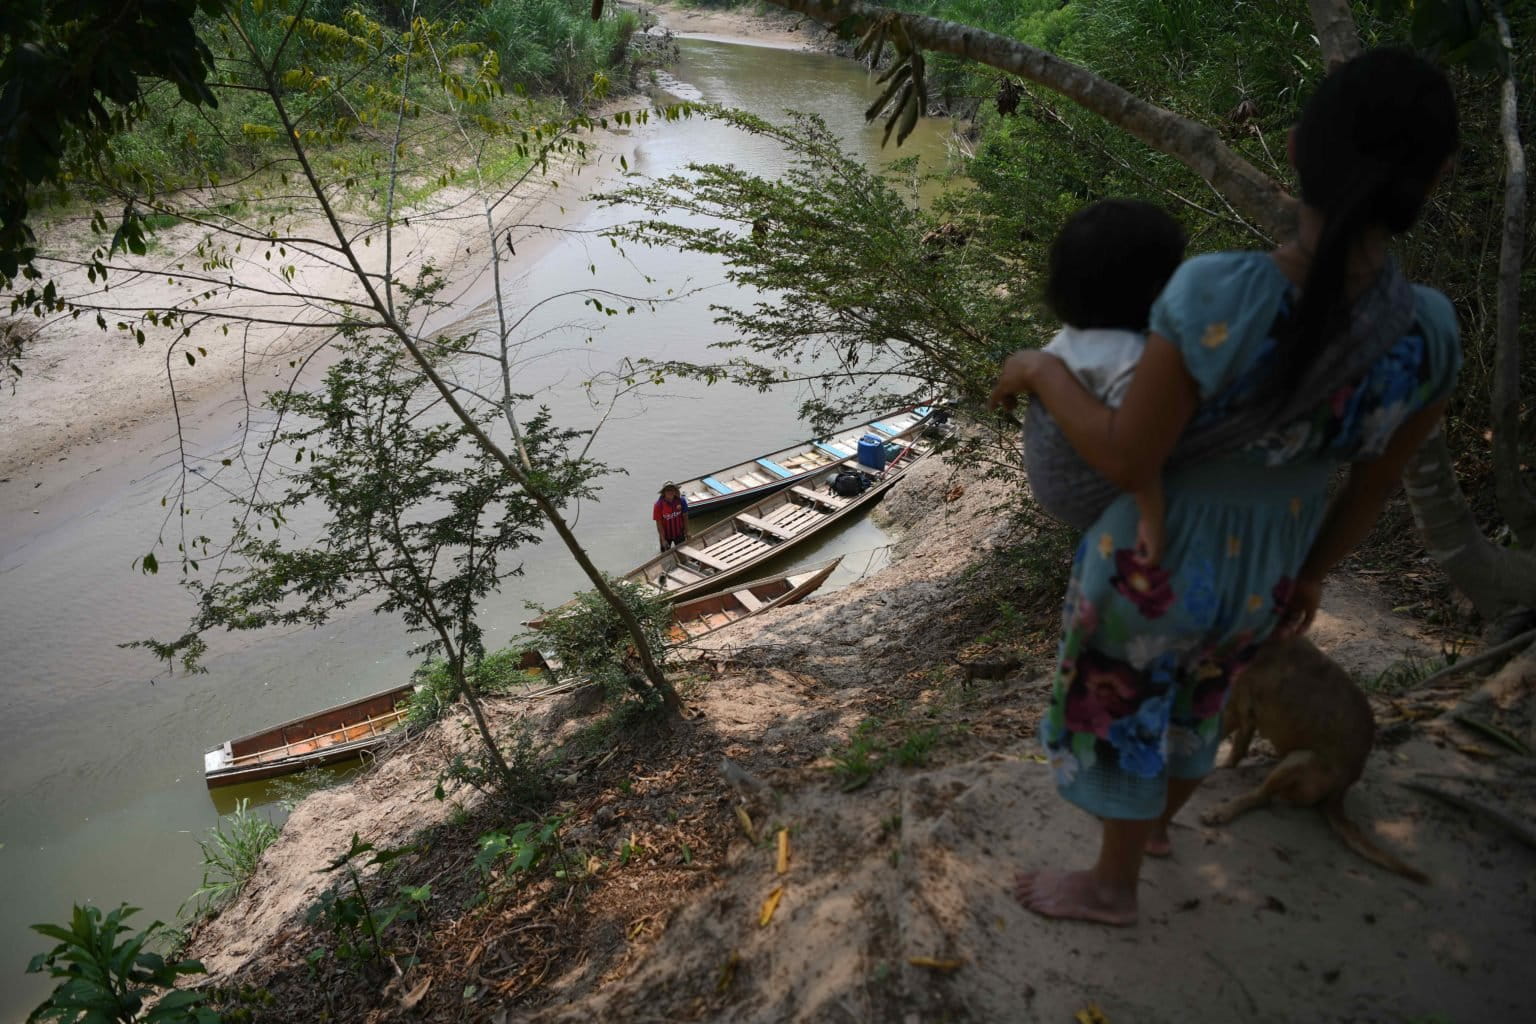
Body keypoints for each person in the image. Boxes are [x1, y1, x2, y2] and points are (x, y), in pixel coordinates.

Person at [988, 48, 1461, 926]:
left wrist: (1039, 373)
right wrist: (1312, 572)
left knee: (1126, 712)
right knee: (1198, 705)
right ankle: (1155, 833)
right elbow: (1377, 479)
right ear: (1435, 177)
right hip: (1272, 563)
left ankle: (1111, 886)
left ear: (1292, 149)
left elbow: (1131, 456)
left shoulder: (1218, 291)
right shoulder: (1430, 330)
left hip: (1154, 556)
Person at [1037, 199, 1187, 562]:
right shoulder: (1124, 354)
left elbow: (1137, 450)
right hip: (1109, 507)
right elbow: (1137, 453)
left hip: (1095, 505)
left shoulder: (1091, 344)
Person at [653, 482, 689, 553]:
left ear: (675, 491)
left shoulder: (681, 501)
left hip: (679, 533)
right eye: (668, 490)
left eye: (672, 490)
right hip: (666, 535)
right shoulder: (658, 505)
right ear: (664, 492)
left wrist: (687, 531)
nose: (670, 492)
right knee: (665, 556)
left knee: (682, 554)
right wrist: (663, 540)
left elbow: (685, 517)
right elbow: (659, 524)